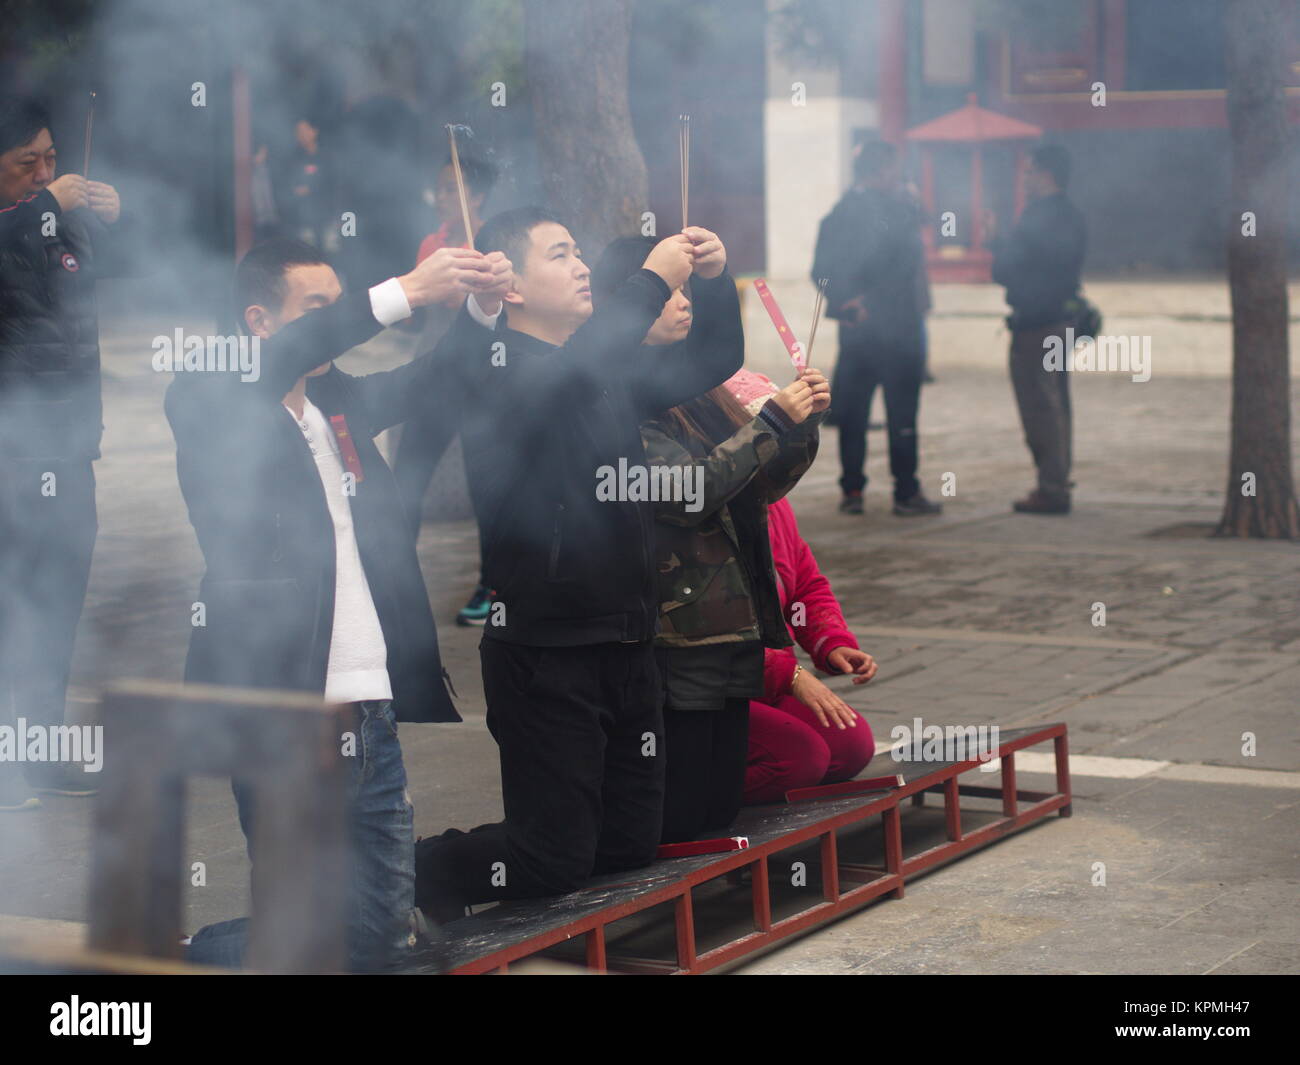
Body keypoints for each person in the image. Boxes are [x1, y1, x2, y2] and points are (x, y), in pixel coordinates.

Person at [167, 237, 509, 970]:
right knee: (304, 938)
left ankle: (203, 950)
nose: (338, 321)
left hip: (368, 711)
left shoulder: (333, 400)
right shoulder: (207, 395)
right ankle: (193, 956)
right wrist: (407, 291)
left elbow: (435, 383)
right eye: (317, 308)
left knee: (376, 936)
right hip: (279, 709)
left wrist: (480, 307)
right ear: (259, 321)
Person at [413, 209, 743, 923]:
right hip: (546, 651)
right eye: (560, 254)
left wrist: (715, 280)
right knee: (549, 855)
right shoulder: (498, 373)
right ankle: (407, 872)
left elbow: (711, 359)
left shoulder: (605, 371)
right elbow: (574, 371)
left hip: (627, 643)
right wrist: (654, 276)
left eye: (578, 250)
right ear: (516, 287)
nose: (582, 265)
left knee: (628, 842)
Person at [591, 238, 827, 843]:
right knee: (683, 800)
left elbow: (761, 487)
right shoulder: (625, 399)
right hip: (680, 626)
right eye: (666, 291)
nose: (681, 304)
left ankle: (712, 901)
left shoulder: (703, 389)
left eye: (687, 290)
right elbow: (687, 492)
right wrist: (770, 422)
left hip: (737, 621)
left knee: (722, 799)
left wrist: (799, 427)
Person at [0, 97, 129, 810]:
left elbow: (150, 265)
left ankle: (39, 748)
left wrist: (116, 214)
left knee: (55, 606)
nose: (46, 174)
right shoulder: (20, 224)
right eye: (28, 164)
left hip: (70, 447)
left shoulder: (55, 226)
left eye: (52, 160)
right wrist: (44, 203)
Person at [393, 150, 499, 626]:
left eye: (446, 189)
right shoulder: (431, 244)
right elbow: (416, 307)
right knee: (406, 477)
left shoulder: (494, 242)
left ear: (474, 195)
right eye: (435, 189)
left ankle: (490, 585)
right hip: (432, 371)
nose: (437, 199)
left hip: (482, 379)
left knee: (487, 484)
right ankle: (390, 577)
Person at [812, 140, 941, 518]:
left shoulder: (838, 213)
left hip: (857, 331)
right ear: (883, 171)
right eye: (894, 169)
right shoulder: (897, 212)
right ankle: (905, 491)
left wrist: (846, 302)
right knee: (902, 414)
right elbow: (907, 264)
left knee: (853, 414)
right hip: (898, 330)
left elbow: (819, 268)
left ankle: (852, 491)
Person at [989, 143, 1087, 514]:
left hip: (1035, 326)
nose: (1024, 177)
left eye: (1029, 171)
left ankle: (1052, 486)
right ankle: (1058, 478)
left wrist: (996, 239)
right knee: (1057, 404)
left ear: (1045, 173)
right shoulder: (1073, 216)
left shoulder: (1036, 217)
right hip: (1062, 321)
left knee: (1039, 407)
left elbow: (1008, 270)